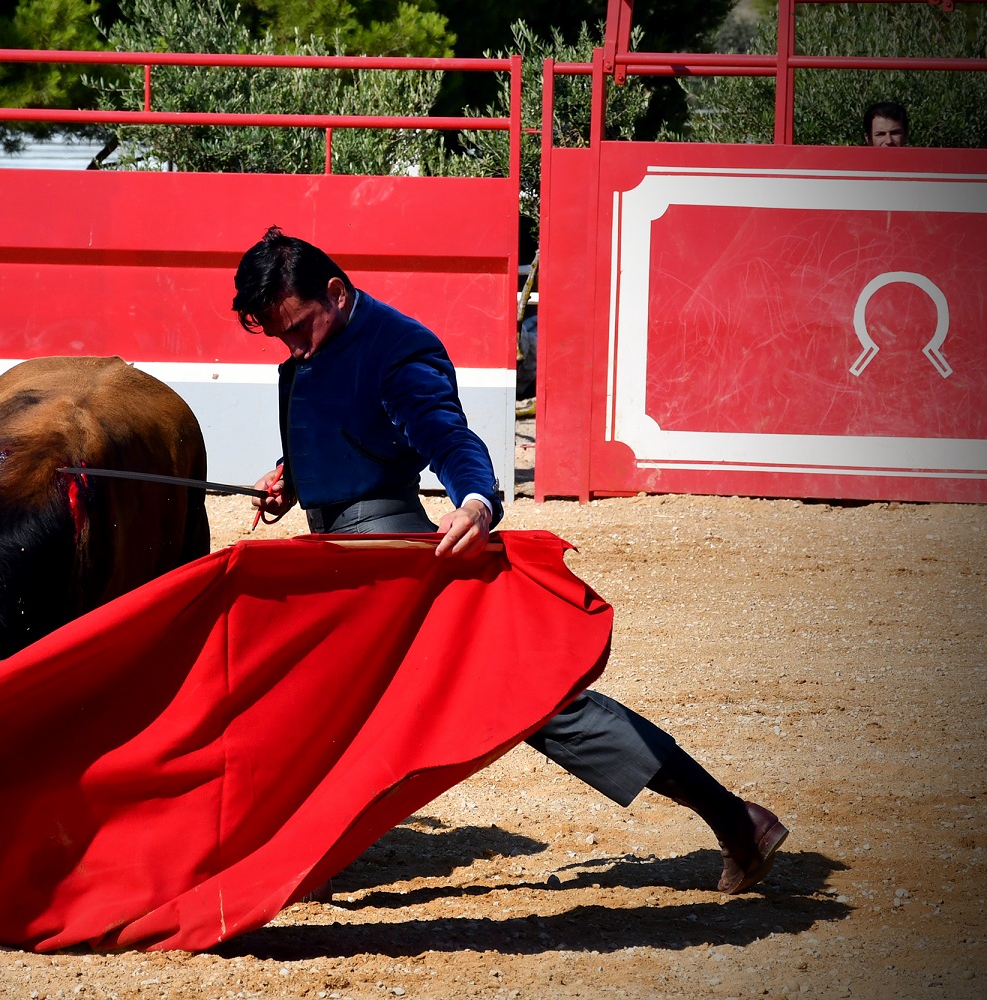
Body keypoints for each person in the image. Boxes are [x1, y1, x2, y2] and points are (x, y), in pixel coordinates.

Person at [234, 226, 789, 895]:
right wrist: (293, 478)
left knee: (544, 706)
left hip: (397, 562)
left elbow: (448, 437)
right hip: (334, 562)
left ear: (335, 291)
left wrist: (475, 500)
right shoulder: (313, 341)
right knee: (309, 701)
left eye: (299, 328)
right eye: (279, 336)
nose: (294, 347)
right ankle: (295, 858)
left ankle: (737, 822)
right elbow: (339, 429)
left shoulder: (395, 347)